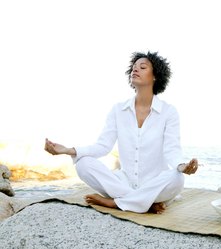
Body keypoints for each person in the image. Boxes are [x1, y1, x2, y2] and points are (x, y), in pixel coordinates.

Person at [45, 51, 198, 214]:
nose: (135, 70)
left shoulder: (169, 112)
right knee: (82, 163)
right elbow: (103, 146)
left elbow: (171, 149)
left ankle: (116, 203)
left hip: (156, 185)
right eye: (133, 67)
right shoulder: (118, 110)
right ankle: (143, 202)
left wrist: (182, 167)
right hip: (124, 183)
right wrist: (68, 150)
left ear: (155, 76)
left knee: (177, 178)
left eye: (142, 67)